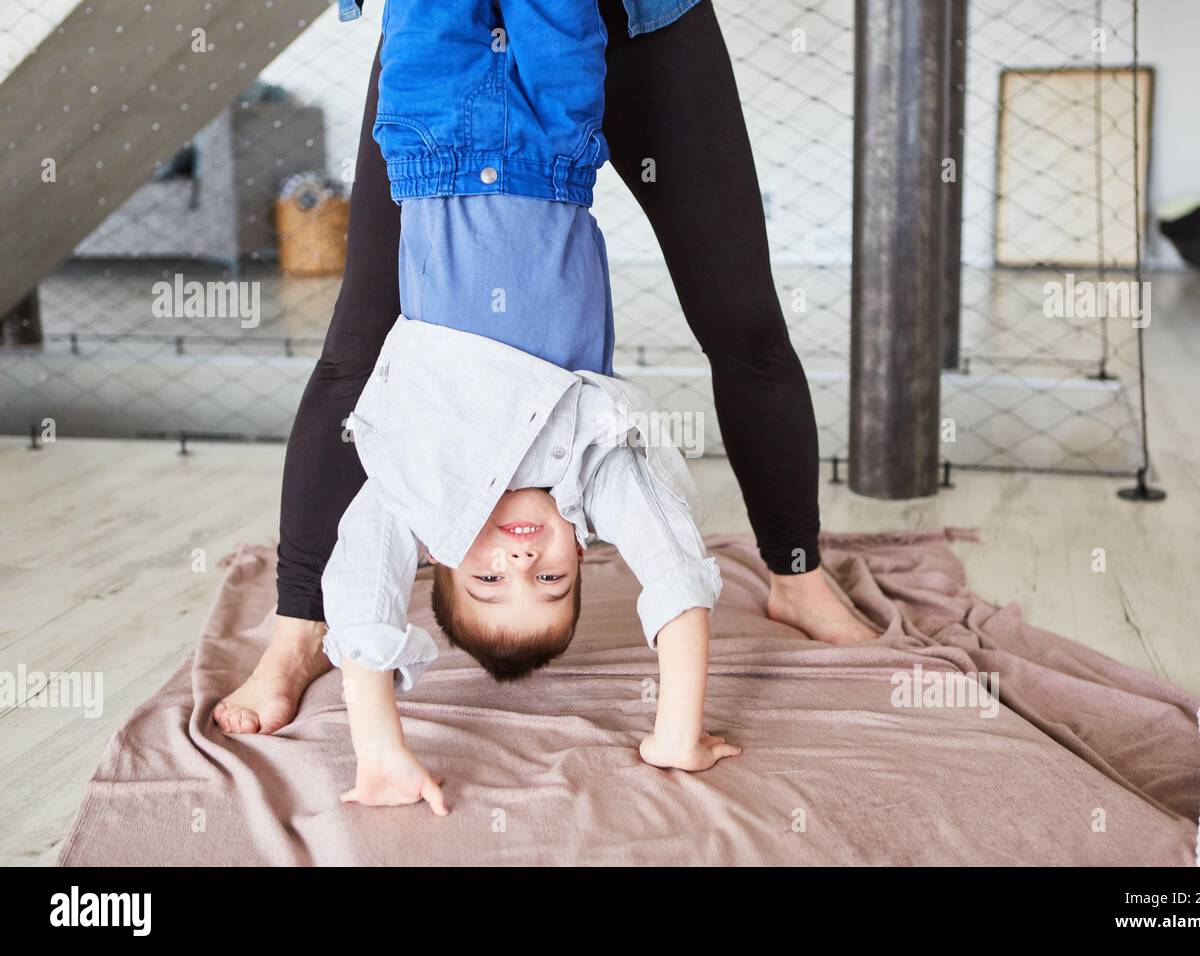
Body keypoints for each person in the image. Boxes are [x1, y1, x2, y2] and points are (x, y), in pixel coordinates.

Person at [213, 0, 873, 739]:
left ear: (447, 555)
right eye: (547, 578)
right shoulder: (593, 467)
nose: (522, 557)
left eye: (493, 579)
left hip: (627, 26)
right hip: (532, 115)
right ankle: (300, 630)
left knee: (742, 320)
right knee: (356, 346)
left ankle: (796, 575)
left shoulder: (426, 479)